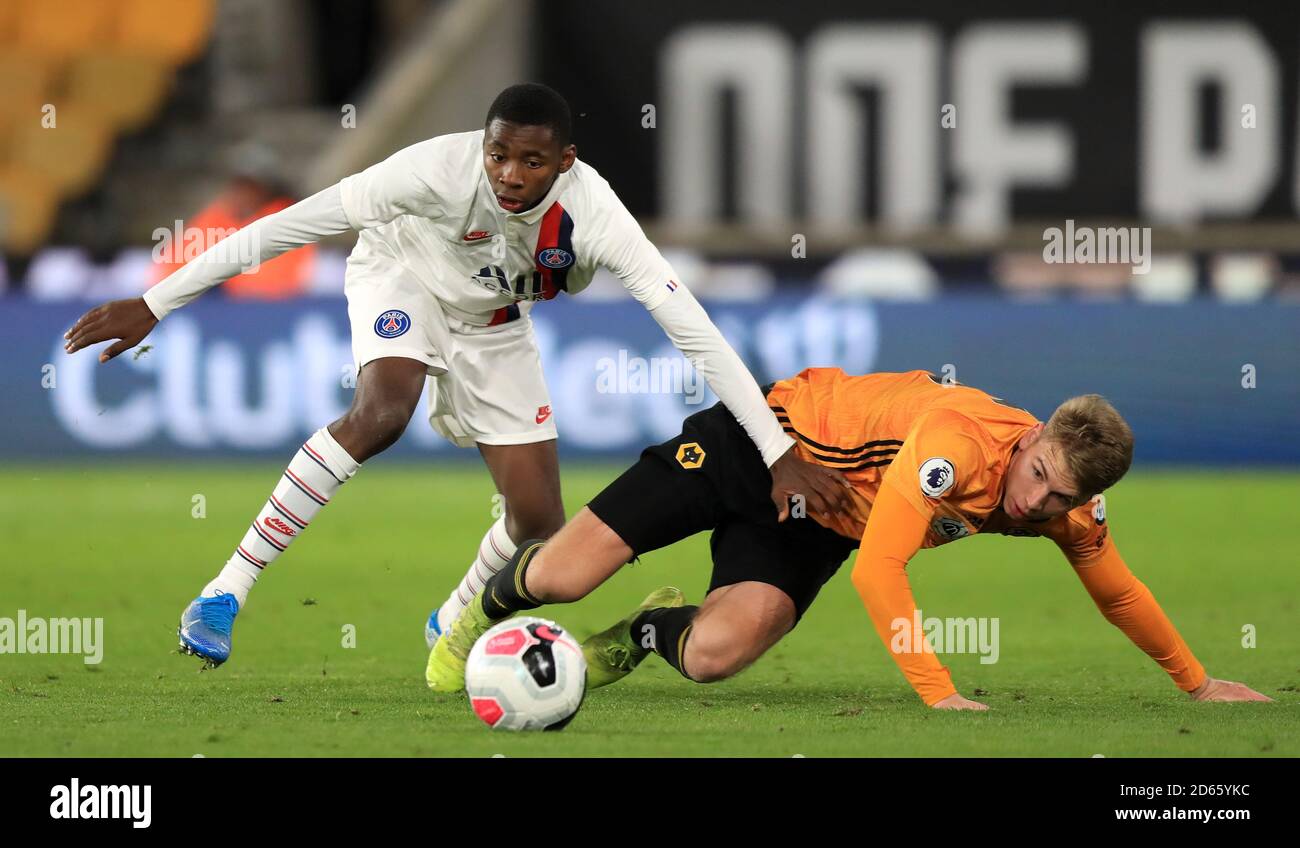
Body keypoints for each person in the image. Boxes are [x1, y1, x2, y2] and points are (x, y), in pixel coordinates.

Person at [62, 83, 848, 667]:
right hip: (401, 272)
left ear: (564, 163)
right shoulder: (432, 172)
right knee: (381, 413)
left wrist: (778, 451)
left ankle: (452, 619)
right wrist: (158, 302)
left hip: (495, 321)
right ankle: (225, 591)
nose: (508, 173)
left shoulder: (597, 216)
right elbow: (294, 223)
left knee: (540, 521)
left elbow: (693, 330)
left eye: (531, 160)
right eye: (499, 153)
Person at [426, 368, 1272, 709]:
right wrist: (937, 691)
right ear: (1034, 438)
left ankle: (647, 629)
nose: (1037, 499)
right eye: (1039, 470)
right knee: (565, 576)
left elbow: (1118, 593)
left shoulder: (1070, 508)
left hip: (817, 520)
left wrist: (1197, 685)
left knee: (715, 656)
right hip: (759, 445)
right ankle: (472, 617)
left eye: (1061, 494)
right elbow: (880, 572)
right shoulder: (957, 449)